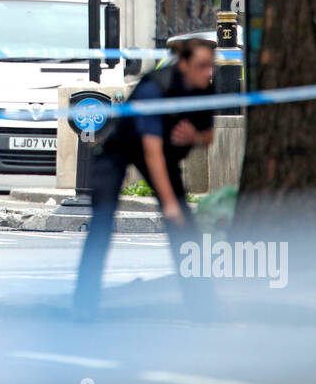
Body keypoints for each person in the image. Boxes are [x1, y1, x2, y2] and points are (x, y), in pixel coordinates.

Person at [73, 37, 218, 320]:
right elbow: (151, 151)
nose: (208, 72)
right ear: (184, 64)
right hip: (121, 149)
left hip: (161, 152)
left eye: (210, 66)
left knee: (185, 227)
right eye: (201, 66)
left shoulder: (205, 91)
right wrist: (169, 204)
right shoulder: (156, 88)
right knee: (102, 222)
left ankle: (202, 306)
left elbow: (209, 135)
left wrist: (196, 137)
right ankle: (84, 304)